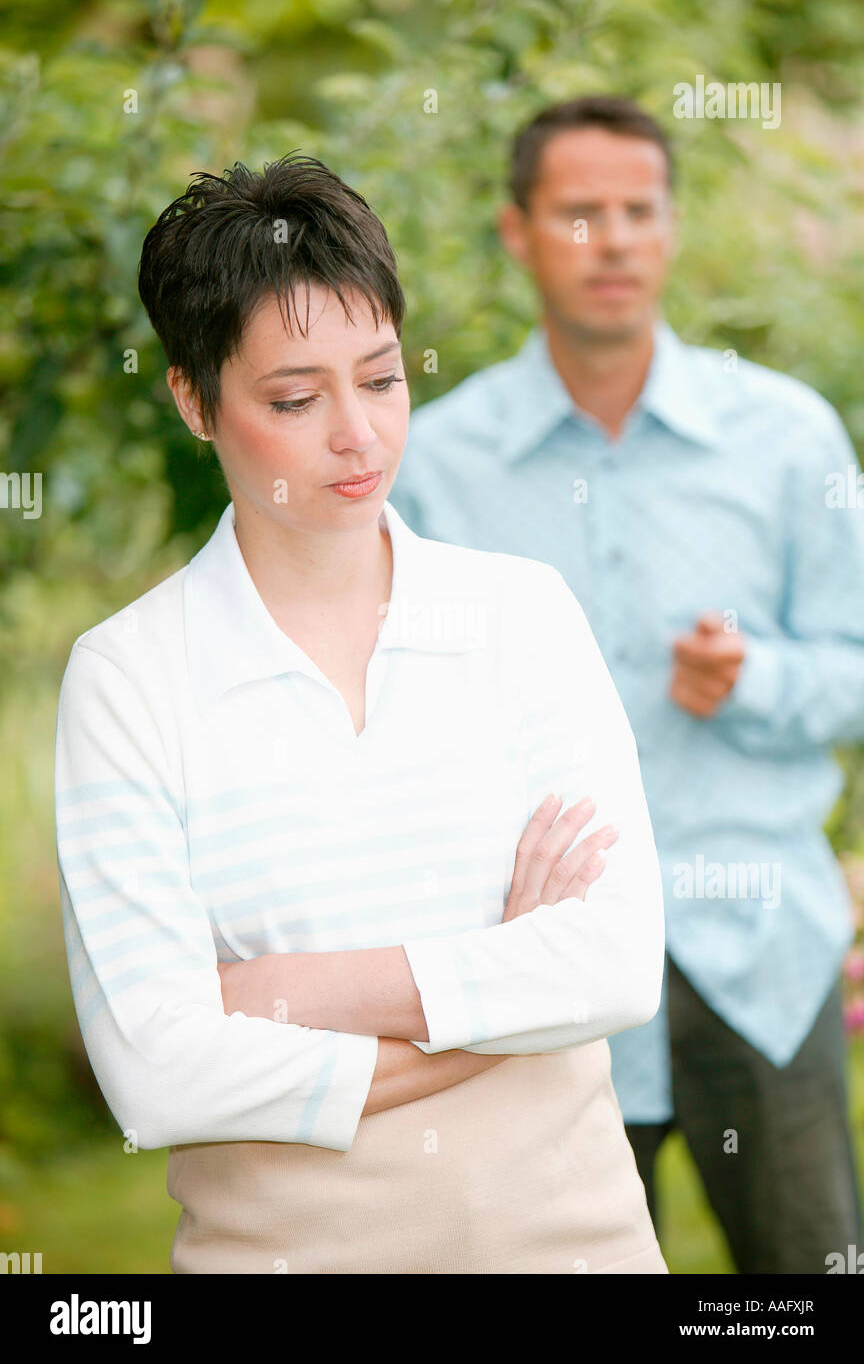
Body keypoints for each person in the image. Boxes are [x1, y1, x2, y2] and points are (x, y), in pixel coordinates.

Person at [54, 152, 668, 1274]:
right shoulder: (130, 678)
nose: (358, 435)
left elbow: (618, 963)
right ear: (195, 399)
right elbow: (156, 1076)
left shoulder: (519, 614)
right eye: (295, 397)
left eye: (382, 379)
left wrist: (291, 992)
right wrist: (497, 989)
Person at [388, 95, 864, 1274]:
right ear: (517, 230)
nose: (614, 241)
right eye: (579, 213)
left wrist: (758, 677)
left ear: (673, 226)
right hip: (534, 965)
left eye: (638, 211)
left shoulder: (788, 439)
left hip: (755, 948)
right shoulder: (435, 466)